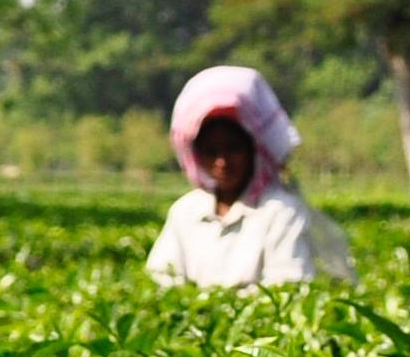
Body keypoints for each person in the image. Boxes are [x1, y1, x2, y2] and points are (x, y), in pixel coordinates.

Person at [147, 66, 355, 289]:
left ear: (252, 149)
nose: (222, 162)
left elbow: (288, 287)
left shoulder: (281, 212)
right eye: (211, 151)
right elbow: (164, 277)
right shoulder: (185, 212)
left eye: (232, 149)